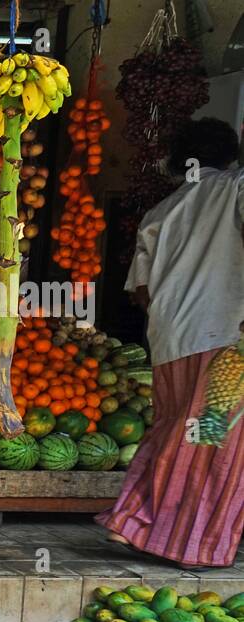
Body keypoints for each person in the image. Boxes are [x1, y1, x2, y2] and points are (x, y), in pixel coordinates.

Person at [97, 118, 244, 569]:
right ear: (230, 155)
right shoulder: (236, 188)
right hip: (227, 339)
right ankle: (190, 544)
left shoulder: (162, 212)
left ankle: (134, 520)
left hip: (171, 339)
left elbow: (139, 291)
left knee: (175, 426)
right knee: (215, 439)